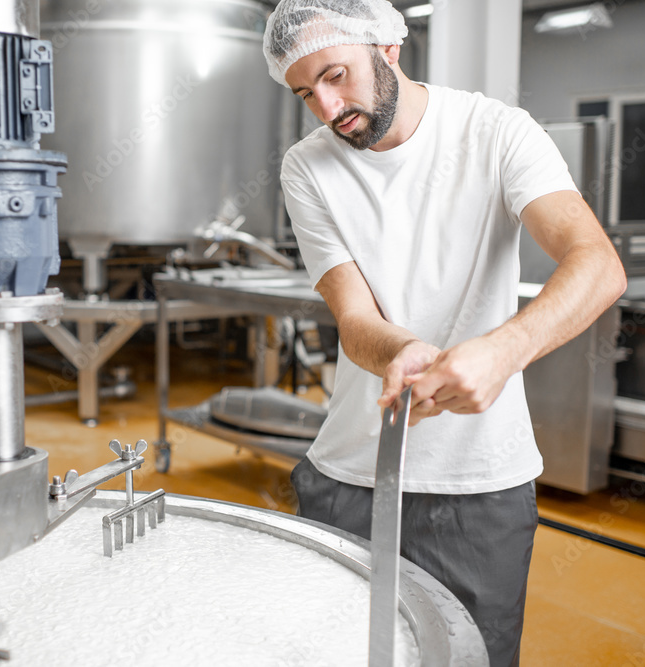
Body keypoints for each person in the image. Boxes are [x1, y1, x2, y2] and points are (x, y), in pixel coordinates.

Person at [262, 1, 626, 665]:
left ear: (388, 47)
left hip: (481, 487)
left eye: (338, 75)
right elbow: (356, 318)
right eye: (306, 92)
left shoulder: (496, 133)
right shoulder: (307, 166)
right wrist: (403, 350)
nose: (328, 106)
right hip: (347, 473)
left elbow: (597, 264)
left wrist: (503, 351)